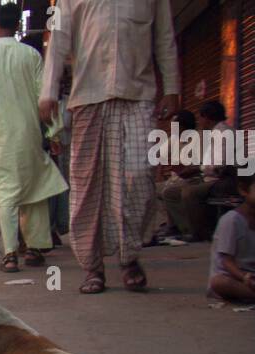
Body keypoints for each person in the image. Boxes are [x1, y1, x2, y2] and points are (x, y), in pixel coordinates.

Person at [40, 0, 181, 293]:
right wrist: (49, 92)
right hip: (89, 97)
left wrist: (172, 88)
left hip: (138, 94)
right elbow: (58, 42)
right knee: (89, 186)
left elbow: (165, 38)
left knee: (140, 176)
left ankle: (129, 256)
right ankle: (93, 268)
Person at [0, 3, 67, 273]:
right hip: (28, 134)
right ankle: (34, 248)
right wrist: (54, 131)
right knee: (35, 190)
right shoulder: (31, 56)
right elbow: (44, 95)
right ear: (18, 26)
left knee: (4, 193)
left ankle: (9, 253)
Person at [176, 101, 237, 242]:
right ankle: (186, 228)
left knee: (189, 193)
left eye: (201, 118)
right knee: (176, 192)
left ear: (207, 118)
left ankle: (200, 232)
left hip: (227, 179)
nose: (200, 121)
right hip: (216, 177)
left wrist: (198, 169)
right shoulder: (217, 132)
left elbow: (219, 164)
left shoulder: (223, 133)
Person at [207, 170, 255, 303]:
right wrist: (245, 277)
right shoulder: (231, 220)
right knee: (219, 282)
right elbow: (226, 261)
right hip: (235, 277)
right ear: (243, 190)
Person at [155, 110, 201, 239]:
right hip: (174, 179)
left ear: (184, 126)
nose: (172, 128)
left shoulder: (199, 139)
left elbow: (202, 166)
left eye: (175, 126)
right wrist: (159, 173)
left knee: (169, 191)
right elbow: (159, 155)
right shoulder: (173, 139)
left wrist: (186, 169)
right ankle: (166, 223)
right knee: (151, 189)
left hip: (193, 180)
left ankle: (182, 228)